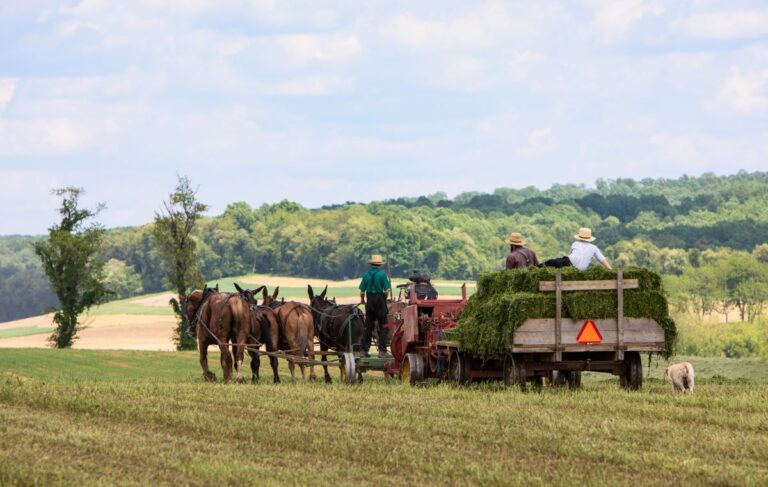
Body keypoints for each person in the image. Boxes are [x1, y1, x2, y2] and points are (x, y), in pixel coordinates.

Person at [359, 254, 392, 358]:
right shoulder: (382, 275)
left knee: (368, 327)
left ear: (371, 264)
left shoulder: (366, 275)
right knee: (383, 326)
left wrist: (363, 300)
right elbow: (386, 290)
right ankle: (382, 351)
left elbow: (362, 291)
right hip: (380, 300)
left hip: (370, 300)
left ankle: (364, 350)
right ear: (379, 265)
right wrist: (383, 298)